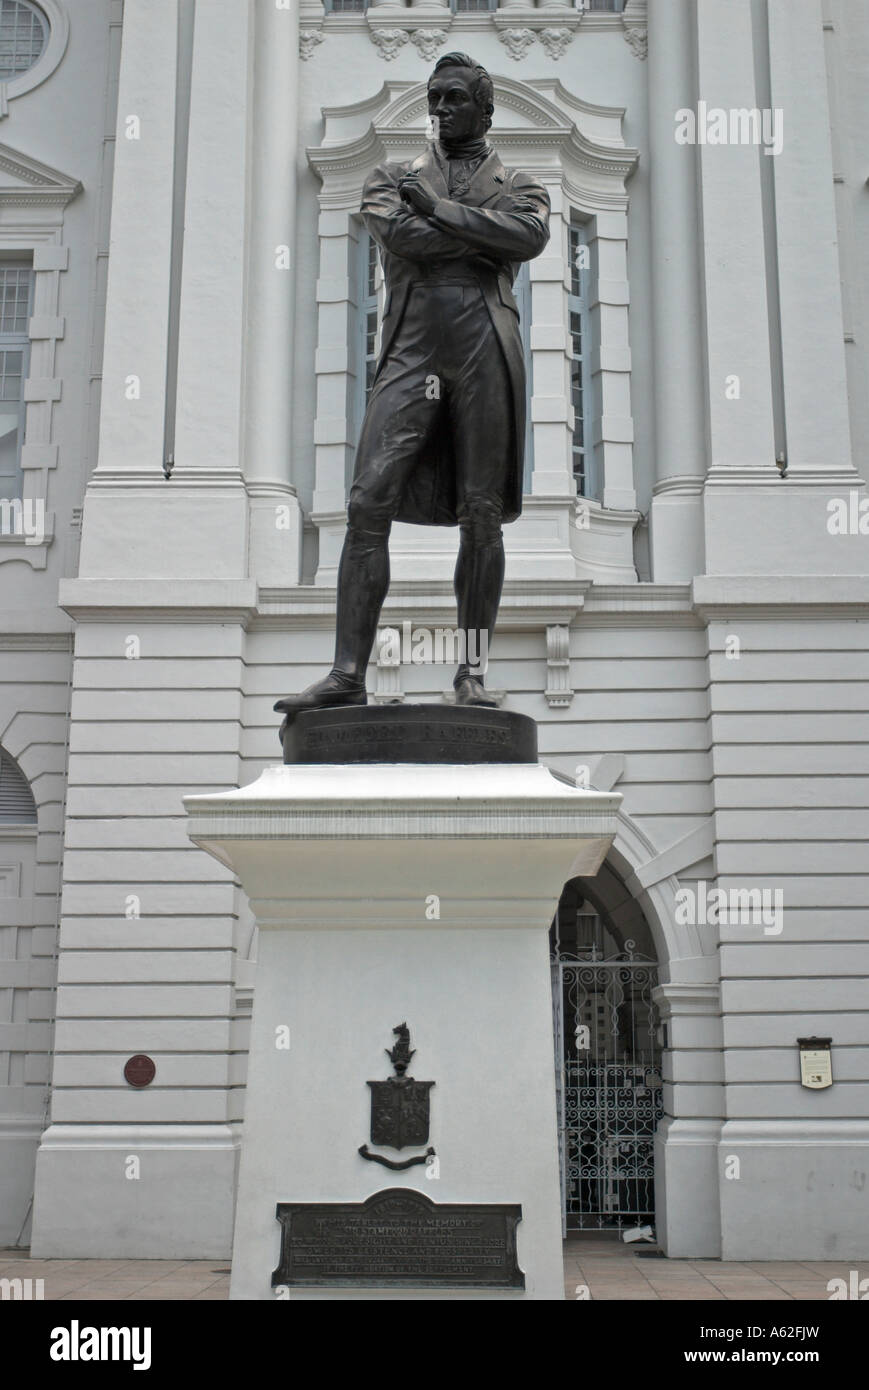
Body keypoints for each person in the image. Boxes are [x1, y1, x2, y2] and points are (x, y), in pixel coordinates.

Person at [275, 52, 550, 724]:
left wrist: (437, 212)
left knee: (481, 512)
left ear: (485, 108)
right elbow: (398, 236)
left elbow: (529, 236)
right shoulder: (390, 177)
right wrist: (466, 231)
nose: (440, 109)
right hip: (412, 342)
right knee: (368, 496)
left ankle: (471, 671)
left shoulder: (520, 181)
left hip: (485, 342)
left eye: (454, 97)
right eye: (433, 97)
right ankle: (346, 673)